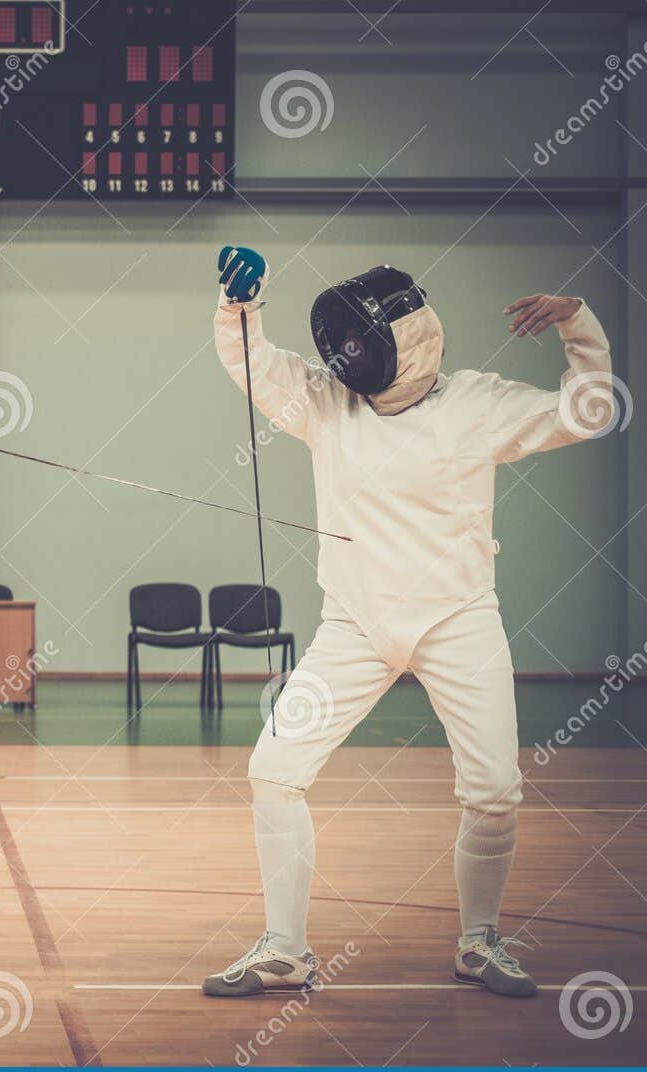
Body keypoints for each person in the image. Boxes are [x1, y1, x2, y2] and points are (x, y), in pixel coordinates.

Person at [205, 247, 616, 999]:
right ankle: (286, 949)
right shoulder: (330, 403)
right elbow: (255, 365)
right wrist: (242, 304)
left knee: (494, 790)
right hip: (354, 625)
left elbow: (589, 412)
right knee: (274, 771)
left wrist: (579, 327)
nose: (347, 358)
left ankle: (478, 939)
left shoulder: (477, 404)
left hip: (460, 621)